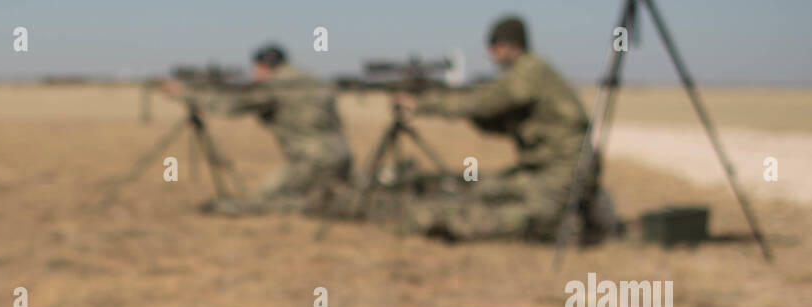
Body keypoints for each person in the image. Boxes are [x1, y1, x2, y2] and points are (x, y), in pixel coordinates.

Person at [392, 16, 603, 241]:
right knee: (483, 189)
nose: (489, 52)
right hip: (541, 171)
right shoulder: (529, 72)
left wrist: (424, 103)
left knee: (501, 219)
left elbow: (485, 102)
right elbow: (498, 119)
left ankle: (575, 222)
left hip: (562, 175)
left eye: (494, 45)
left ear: (509, 45)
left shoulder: (530, 71)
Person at [163, 45, 352, 215]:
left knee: (262, 203)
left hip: (310, 161)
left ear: (262, 65)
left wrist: (186, 93)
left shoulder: (277, 85)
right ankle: (333, 200)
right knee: (320, 190)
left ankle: (326, 206)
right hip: (341, 155)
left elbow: (232, 105)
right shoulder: (308, 78)